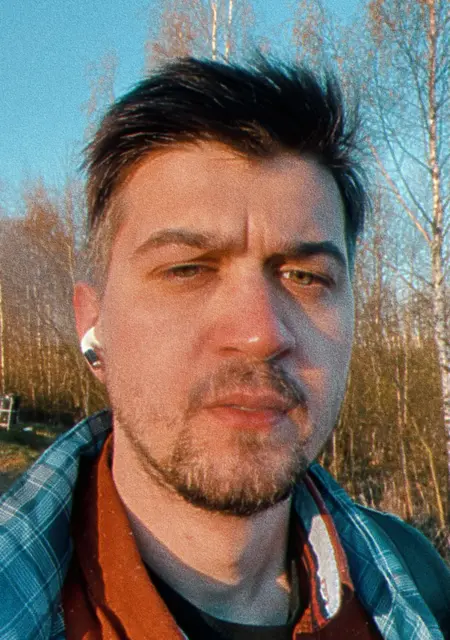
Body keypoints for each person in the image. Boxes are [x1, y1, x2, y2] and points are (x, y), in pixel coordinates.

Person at [1, 57, 449, 640]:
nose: (260, 334)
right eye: (187, 269)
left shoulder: (422, 586)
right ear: (94, 326)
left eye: (305, 277)